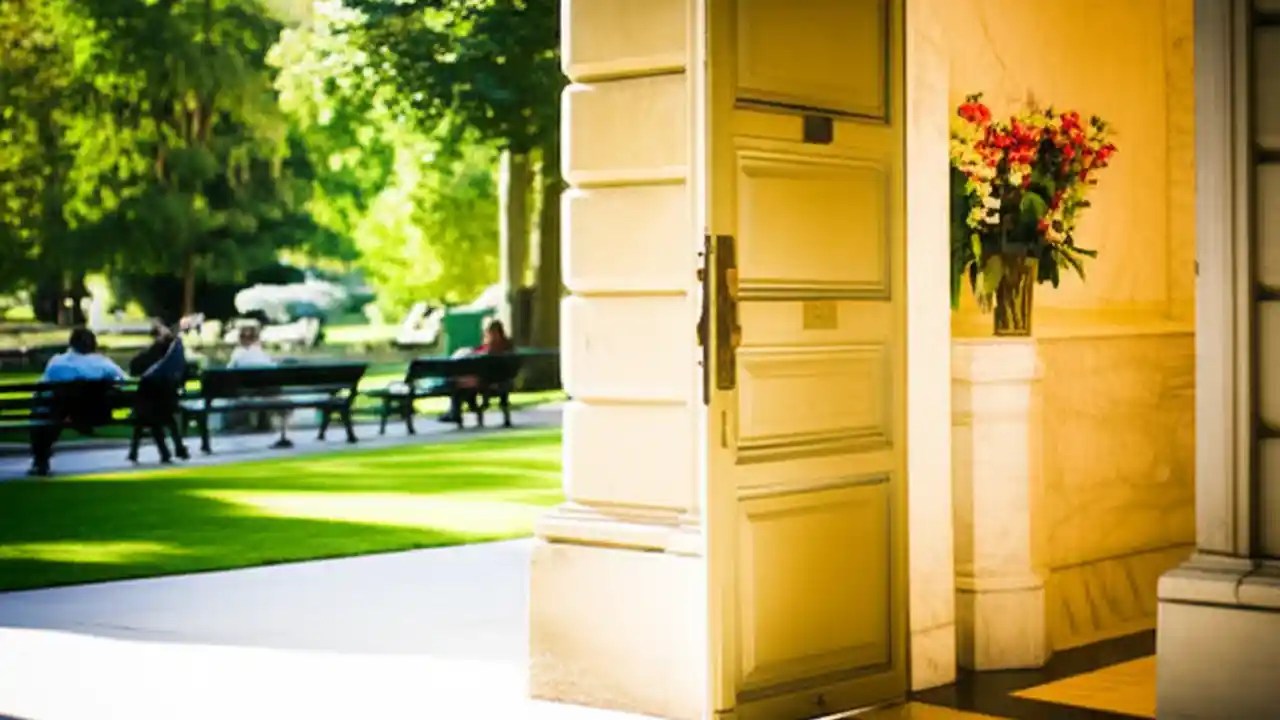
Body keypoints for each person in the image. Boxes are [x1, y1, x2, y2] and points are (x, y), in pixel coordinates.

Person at [29, 328, 127, 476]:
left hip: (63, 414)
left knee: (44, 415)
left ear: (72, 343)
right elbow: (124, 380)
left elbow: (41, 388)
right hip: (97, 414)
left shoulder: (57, 363)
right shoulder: (103, 364)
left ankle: (40, 461)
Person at [127, 319, 190, 464]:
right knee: (159, 416)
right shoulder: (175, 351)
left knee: (148, 414)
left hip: (153, 401)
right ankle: (176, 449)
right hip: (166, 400)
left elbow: (135, 368)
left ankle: (163, 452)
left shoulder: (156, 352)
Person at [439, 318, 515, 424]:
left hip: (486, 381)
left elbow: (481, 362)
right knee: (458, 382)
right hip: (499, 380)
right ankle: (461, 410)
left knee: (455, 382)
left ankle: (457, 412)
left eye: (486, 332)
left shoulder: (491, 349)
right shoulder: (508, 347)